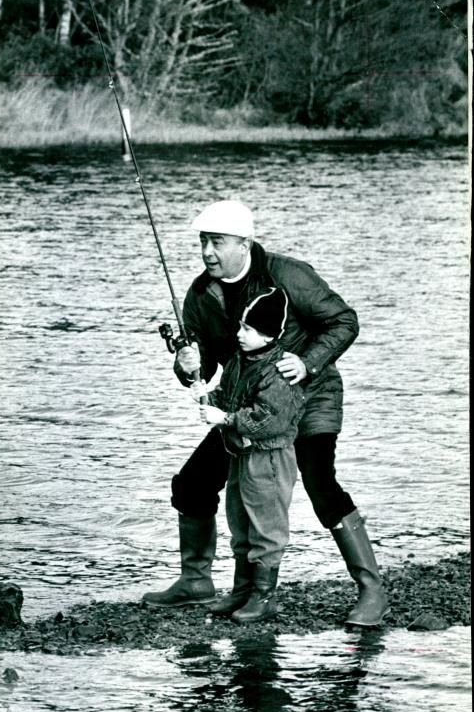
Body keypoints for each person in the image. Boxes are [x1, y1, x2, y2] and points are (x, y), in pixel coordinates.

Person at [142, 198, 389, 627]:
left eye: (217, 242)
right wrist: (187, 368)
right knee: (192, 484)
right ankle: (196, 581)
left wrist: (307, 362)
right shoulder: (201, 294)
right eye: (203, 242)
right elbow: (207, 367)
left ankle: (372, 590)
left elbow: (344, 321)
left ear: (245, 243)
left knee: (319, 482)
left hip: (310, 398)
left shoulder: (288, 274)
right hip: (249, 409)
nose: (207, 253)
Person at [191, 285, 304, 622]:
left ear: (269, 334)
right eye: (241, 325)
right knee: (240, 522)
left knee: (267, 528)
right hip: (241, 455)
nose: (239, 334)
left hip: (269, 458)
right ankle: (243, 591)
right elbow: (227, 397)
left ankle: (264, 597)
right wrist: (206, 396)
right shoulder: (242, 361)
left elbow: (268, 419)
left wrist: (225, 419)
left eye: (249, 328)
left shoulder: (280, 372)